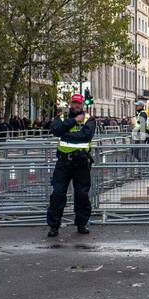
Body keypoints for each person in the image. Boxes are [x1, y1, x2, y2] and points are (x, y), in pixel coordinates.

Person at [47, 94, 96, 237]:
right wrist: (74, 121)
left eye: (79, 103)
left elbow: (86, 136)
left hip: (81, 163)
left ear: (82, 105)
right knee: (58, 195)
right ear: (70, 103)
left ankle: (81, 224)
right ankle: (54, 226)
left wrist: (66, 134)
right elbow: (55, 130)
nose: (76, 106)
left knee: (81, 195)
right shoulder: (61, 117)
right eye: (74, 103)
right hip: (63, 163)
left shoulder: (89, 119)